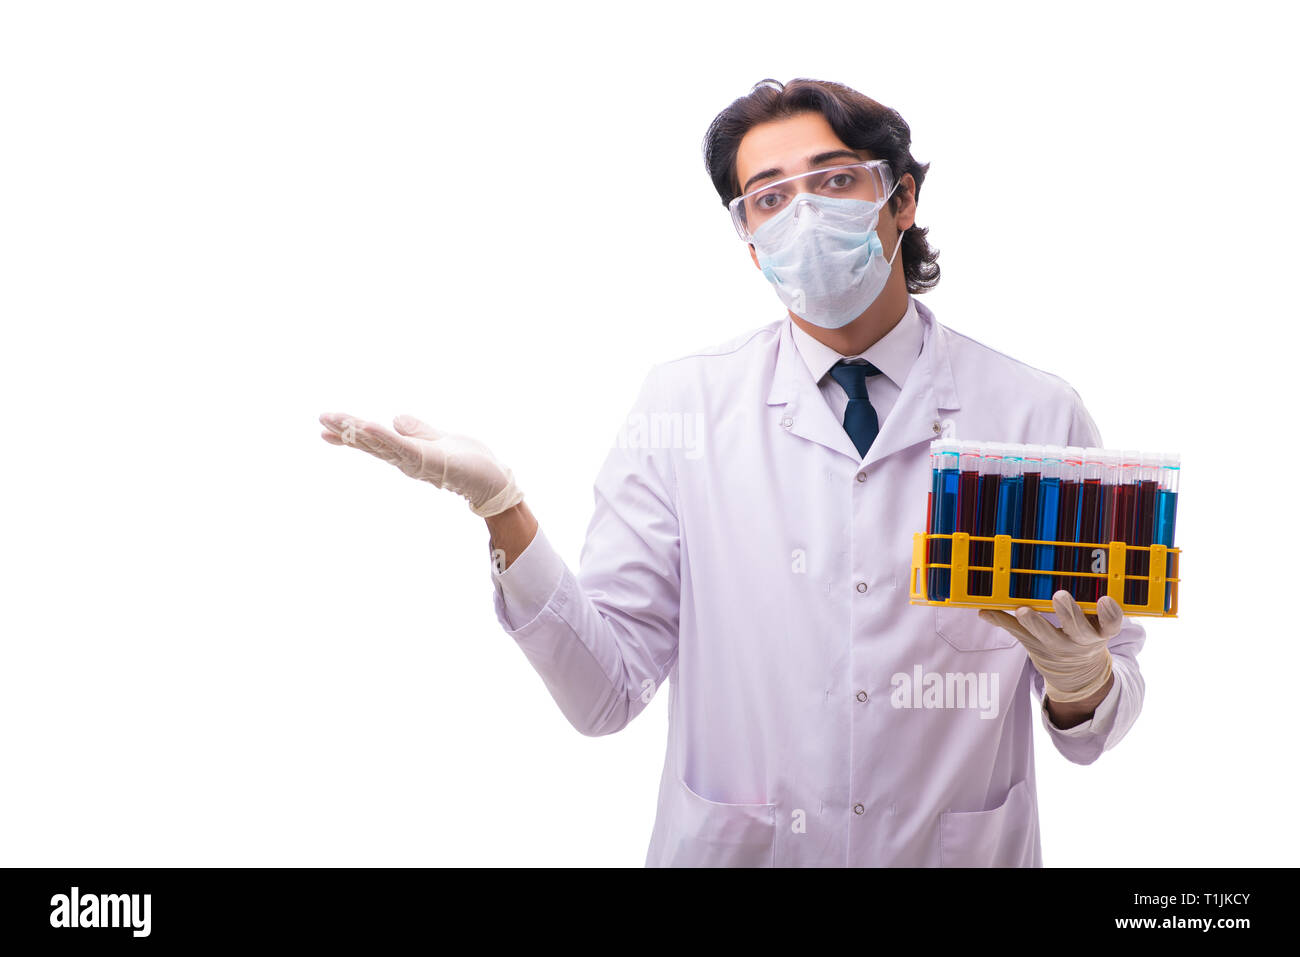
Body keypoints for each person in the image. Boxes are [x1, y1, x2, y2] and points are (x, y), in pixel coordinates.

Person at [319, 77, 1145, 867]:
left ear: (902, 201)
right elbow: (604, 694)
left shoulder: (1036, 416)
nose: (803, 214)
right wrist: (504, 508)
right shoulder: (682, 407)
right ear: (750, 241)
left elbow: (1098, 720)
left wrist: (1083, 680)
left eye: (833, 180)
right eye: (771, 197)